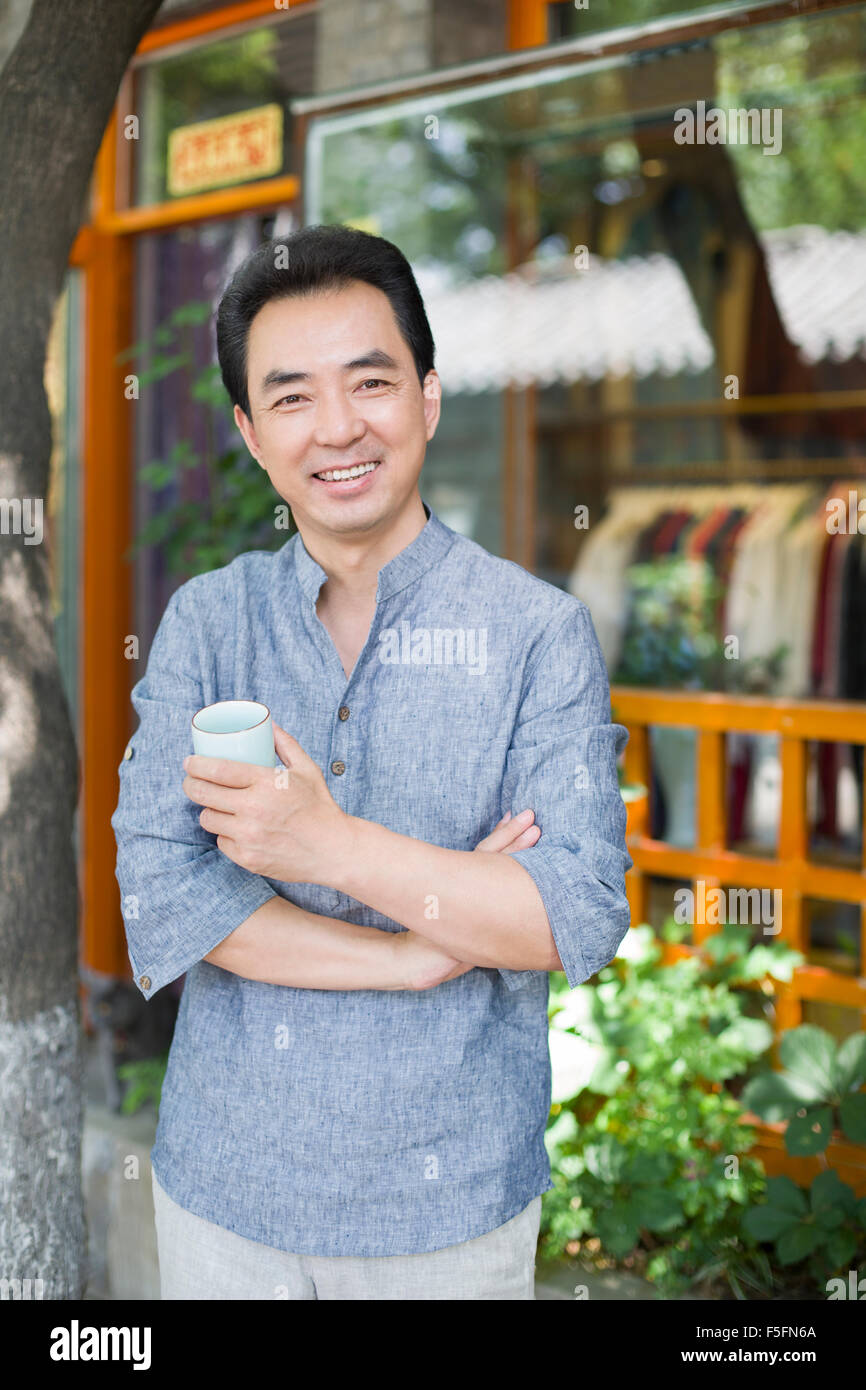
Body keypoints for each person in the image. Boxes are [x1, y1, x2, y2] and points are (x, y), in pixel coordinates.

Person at [111, 223, 632, 1301]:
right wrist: (414, 950)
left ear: (429, 398)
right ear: (252, 434)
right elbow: (164, 900)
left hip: (449, 1210)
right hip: (227, 1192)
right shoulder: (209, 624)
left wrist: (327, 846)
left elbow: (565, 912)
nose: (337, 427)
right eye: (292, 396)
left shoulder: (536, 633)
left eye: (371, 381)